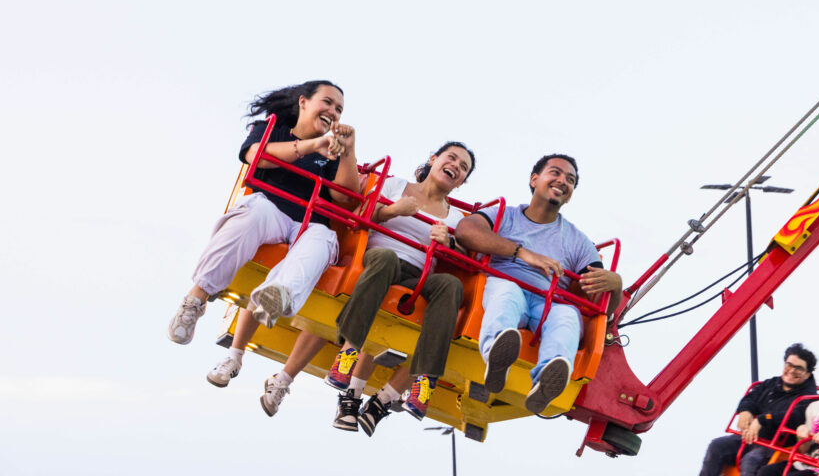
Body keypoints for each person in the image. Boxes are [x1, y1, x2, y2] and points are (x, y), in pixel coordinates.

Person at [167, 81, 359, 406]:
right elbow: (256, 156)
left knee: (323, 241)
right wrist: (312, 146)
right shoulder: (274, 128)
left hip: (311, 222)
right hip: (271, 206)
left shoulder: (334, 152)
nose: (333, 112)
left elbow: (346, 199)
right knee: (250, 215)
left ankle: (276, 297)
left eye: (339, 109)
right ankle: (195, 300)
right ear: (303, 102)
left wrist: (348, 150)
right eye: (328, 102)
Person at [322, 142, 476, 435]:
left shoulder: (454, 217)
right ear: (434, 160)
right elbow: (363, 214)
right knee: (387, 257)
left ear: (462, 181)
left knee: (450, 284)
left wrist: (450, 243)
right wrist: (394, 210)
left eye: (463, 167)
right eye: (451, 158)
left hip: (417, 276)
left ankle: (424, 381)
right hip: (379, 261)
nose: (456, 165)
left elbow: (464, 259)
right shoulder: (395, 185)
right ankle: (347, 354)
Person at [454, 154, 623, 414]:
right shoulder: (504, 215)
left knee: (568, 315)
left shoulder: (578, 241)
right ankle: (497, 352)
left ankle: (547, 379)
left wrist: (615, 284)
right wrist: (522, 253)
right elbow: (466, 231)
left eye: (570, 180)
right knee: (508, 293)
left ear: (570, 195)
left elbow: (603, 305)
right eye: (555, 173)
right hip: (506, 282)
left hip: (549, 303)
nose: (562, 181)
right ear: (535, 179)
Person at [674, 343, 818, 476]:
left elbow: (795, 416)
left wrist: (764, 420)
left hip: (777, 445)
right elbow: (751, 397)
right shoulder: (771, 384)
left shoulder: (807, 398)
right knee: (717, 446)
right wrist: (746, 411)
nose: (791, 371)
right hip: (752, 438)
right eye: (789, 364)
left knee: (750, 462)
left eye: (798, 368)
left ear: (808, 374)